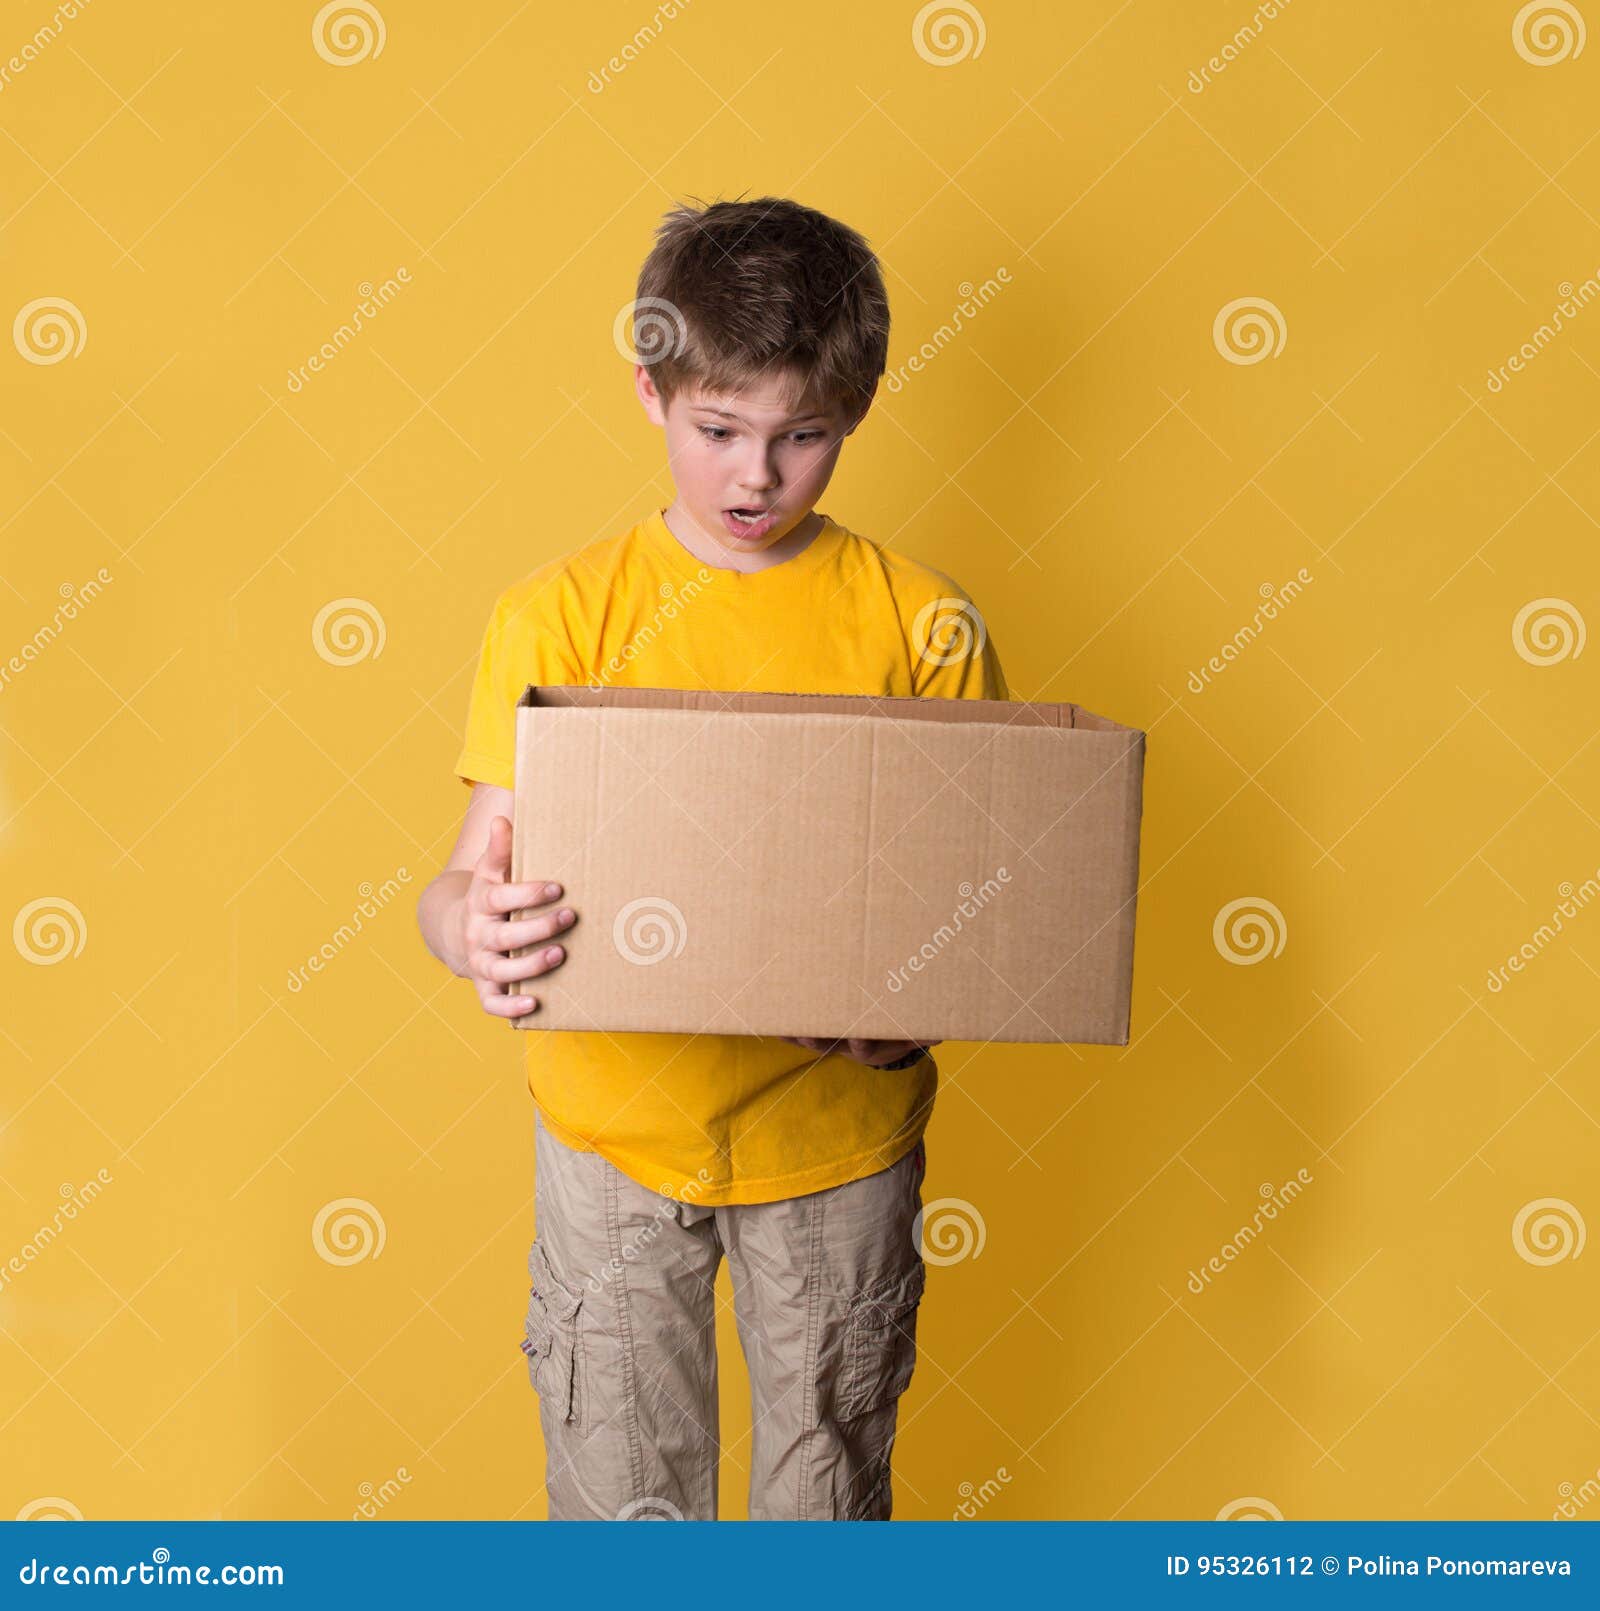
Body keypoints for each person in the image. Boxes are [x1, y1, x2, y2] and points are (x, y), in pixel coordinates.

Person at [415, 194, 1010, 1521]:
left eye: (801, 436)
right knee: (624, 1505)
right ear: (651, 393)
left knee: (826, 1505)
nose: (756, 477)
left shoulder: (924, 626)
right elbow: (462, 877)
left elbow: (978, 905)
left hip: (836, 1148)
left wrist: (914, 1010)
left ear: (855, 409)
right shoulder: (563, 615)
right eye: (719, 431)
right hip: (615, 1134)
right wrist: (465, 927)